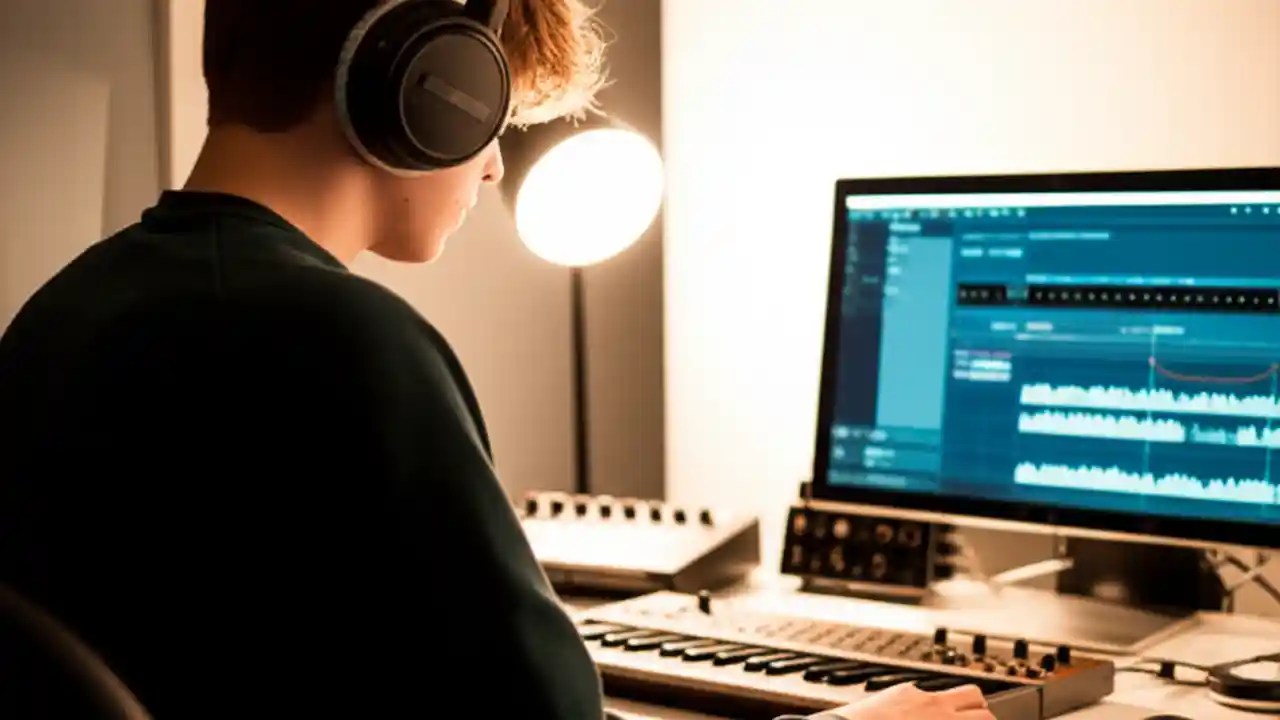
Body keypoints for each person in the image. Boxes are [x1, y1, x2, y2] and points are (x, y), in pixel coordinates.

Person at [0, 1, 994, 719]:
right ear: (421, 89)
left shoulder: (67, 308)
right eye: (494, 116)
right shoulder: (343, 341)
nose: (488, 162)